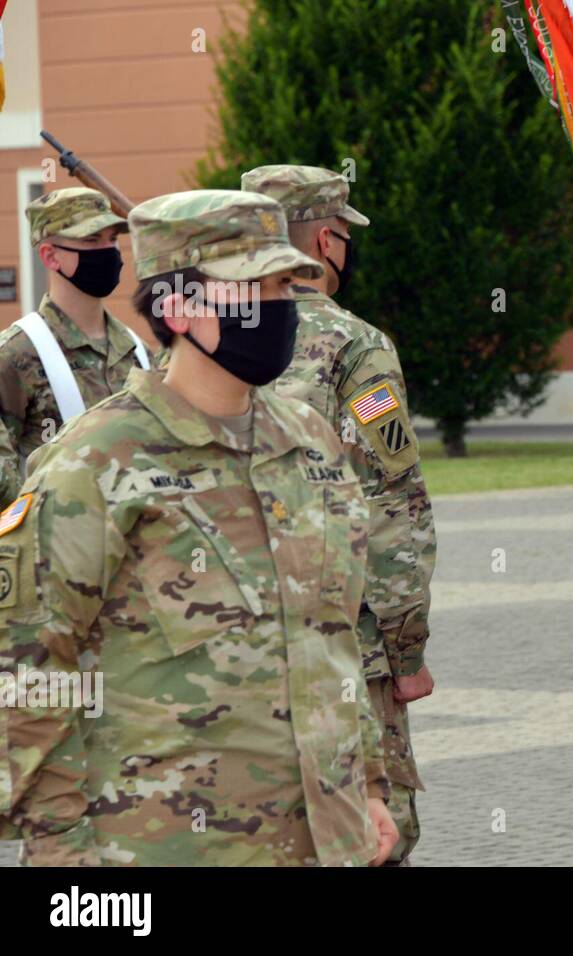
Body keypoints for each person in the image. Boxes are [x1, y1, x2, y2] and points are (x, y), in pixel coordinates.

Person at [0, 189, 396, 866]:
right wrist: (61, 850)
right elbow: (27, 668)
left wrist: (370, 786)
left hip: (326, 840)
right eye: (255, 286)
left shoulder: (311, 442)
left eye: (284, 283)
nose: (278, 307)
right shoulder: (94, 464)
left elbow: (332, 636)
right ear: (178, 305)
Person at [240, 165, 436, 864]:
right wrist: (408, 648)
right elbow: (392, 504)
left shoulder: (207, 337)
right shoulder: (354, 346)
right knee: (374, 825)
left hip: (234, 634)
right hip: (346, 638)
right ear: (327, 239)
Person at [0, 187, 151, 504]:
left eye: (112, 239)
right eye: (91, 240)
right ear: (50, 255)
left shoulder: (139, 352)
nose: (109, 251)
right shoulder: (16, 354)